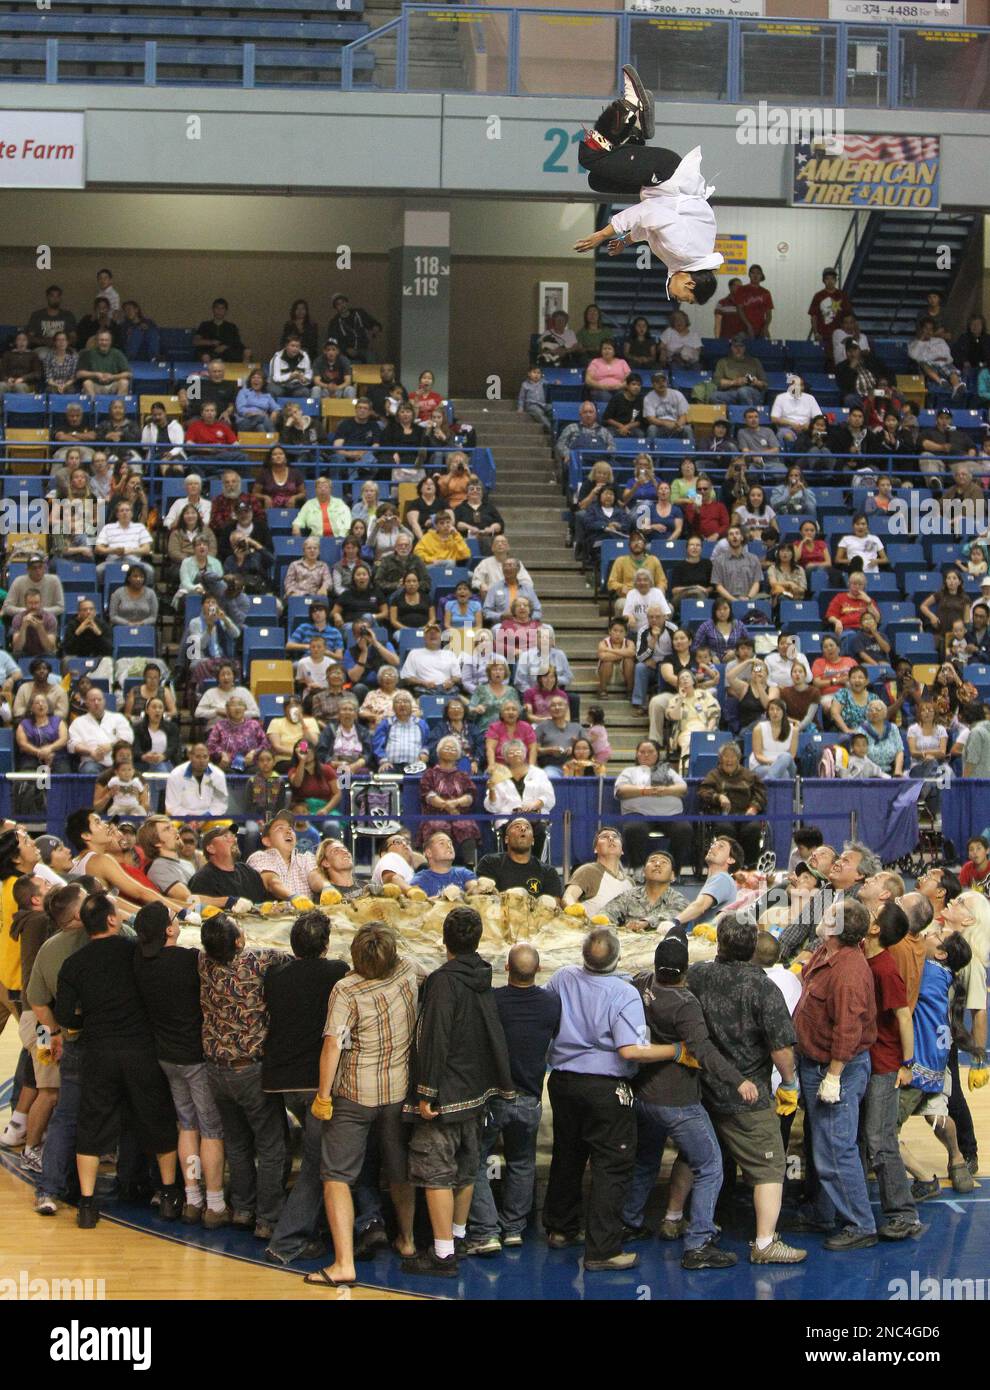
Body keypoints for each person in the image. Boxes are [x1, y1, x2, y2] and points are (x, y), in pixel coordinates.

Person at [542, 926, 684, 1272]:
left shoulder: (562, 978)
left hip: (563, 1082)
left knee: (567, 1154)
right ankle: (602, 1249)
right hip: (605, 1088)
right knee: (612, 1166)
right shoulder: (625, 994)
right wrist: (676, 1050)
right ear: (618, 957)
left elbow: (547, 1010)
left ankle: (561, 1228)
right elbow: (631, 1049)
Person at [623, 934, 757, 1266]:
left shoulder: (642, 984)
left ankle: (630, 1221)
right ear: (685, 973)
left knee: (645, 1161)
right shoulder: (685, 1004)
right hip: (677, 1100)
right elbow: (703, 1050)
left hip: (642, 1093)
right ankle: (699, 1243)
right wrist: (737, 1080)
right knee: (710, 1165)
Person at [398, 907, 515, 1279]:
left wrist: (426, 1092)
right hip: (477, 1094)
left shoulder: (444, 981)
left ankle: (443, 1254)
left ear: (445, 939)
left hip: (447, 1094)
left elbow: (435, 1036)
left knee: (436, 1173)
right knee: (467, 1170)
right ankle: (460, 1237)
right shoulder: (482, 974)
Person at [683, 913, 805, 1263]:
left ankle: (674, 1218)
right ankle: (765, 1243)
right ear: (752, 948)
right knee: (769, 1167)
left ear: (718, 943)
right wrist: (790, 1084)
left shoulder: (698, 975)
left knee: (695, 1158)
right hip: (746, 1096)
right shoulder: (763, 988)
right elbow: (781, 1047)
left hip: (701, 1088)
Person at [55, 891, 181, 1229]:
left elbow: (65, 1015)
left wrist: (86, 1022)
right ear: (113, 919)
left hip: (98, 1052)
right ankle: (169, 1196)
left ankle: (86, 1204)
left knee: (92, 1126)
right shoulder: (134, 952)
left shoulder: (73, 964)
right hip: (141, 1049)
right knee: (157, 1121)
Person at [303, 923, 419, 1287]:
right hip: (397, 1090)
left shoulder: (346, 990)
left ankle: (343, 1263)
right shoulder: (406, 971)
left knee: (336, 1176)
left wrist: (323, 1096)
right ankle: (409, 1240)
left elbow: (333, 1044)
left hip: (355, 1093)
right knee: (399, 1168)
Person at [573, 68, 721, 306]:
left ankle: (635, 133)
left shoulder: (686, 260)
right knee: (590, 157)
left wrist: (627, 241)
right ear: (690, 284)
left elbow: (654, 225)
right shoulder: (684, 252)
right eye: (688, 300)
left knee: (598, 180)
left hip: (662, 182)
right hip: (664, 174)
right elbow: (650, 214)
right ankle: (630, 105)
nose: (679, 300)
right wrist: (602, 235)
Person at [792, 897, 879, 1249]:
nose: (822, 914)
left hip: (836, 1068)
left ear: (836, 928)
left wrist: (834, 1075)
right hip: (816, 1062)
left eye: (829, 914)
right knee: (825, 1144)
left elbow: (848, 1029)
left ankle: (860, 1224)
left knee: (837, 1148)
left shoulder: (849, 972)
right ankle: (826, 1213)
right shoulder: (827, 953)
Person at [861, 902, 921, 1239]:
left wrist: (906, 1064)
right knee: (863, 1136)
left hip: (885, 1065)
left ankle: (904, 1213)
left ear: (876, 931)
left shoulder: (884, 968)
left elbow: (902, 1015)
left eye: (874, 914)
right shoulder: (862, 954)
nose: (869, 913)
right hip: (866, 1061)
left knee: (880, 1139)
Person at [613, 738, 694, 873]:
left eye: (650, 752)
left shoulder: (667, 771)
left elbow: (683, 788)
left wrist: (665, 790)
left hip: (670, 814)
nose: (646, 755)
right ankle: (638, 870)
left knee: (684, 829)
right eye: (642, 752)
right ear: (637, 754)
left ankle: (672, 871)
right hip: (639, 814)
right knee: (634, 829)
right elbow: (621, 791)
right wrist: (644, 791)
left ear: (657, 754)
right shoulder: (630, 771)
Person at [696, 742, 766, 868]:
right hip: (723, 815)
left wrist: (754, 808)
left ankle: (749, 866)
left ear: (738, 759)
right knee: (726, 830)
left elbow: (760, 793)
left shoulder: (749, 775)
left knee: (753, 829)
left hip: (746, 814)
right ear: (720, 759)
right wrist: (718, 797)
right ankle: (730, 866)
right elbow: (703, 791)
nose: (729, 760)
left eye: (732, 756)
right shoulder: (714, 775)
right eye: (725, 756)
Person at [247, 814, 327, 902]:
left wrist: (327, 887)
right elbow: (272, 882)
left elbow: (314, 877)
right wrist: (293, 897)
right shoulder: (259, 857)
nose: (289, 831)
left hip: (309, 914)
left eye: (290, 829)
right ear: (267, 841)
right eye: (280, 828)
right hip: (274, 915)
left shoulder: (306, 858)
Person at [476, 818, 562, 898]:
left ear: (532, 841)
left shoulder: (548, 872)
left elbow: (554, 905)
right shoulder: (490, 863)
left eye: (527, 828)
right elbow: (483, 898)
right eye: (517, 827)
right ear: (506, 839)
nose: (523, 829)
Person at [606, 850, 689, 932]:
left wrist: (647, 923)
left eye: (664, 862)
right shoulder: (628, 896)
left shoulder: (678, 899)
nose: (657, 864)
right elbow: (606, 914)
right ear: (643, 872)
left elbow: (677, 915)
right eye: (652, 861)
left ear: (672, 876)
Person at [164, 744, 229, 821]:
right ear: (190, 757)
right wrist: (189, 819)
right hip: (182, 818)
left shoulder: (218, 775)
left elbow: (221, 804)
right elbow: (172, 806)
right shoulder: (175, 774)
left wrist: (205, 817)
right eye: (198, 757)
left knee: (227, 826)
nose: (202, 761)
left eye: (205, 757)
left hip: (209, 818)